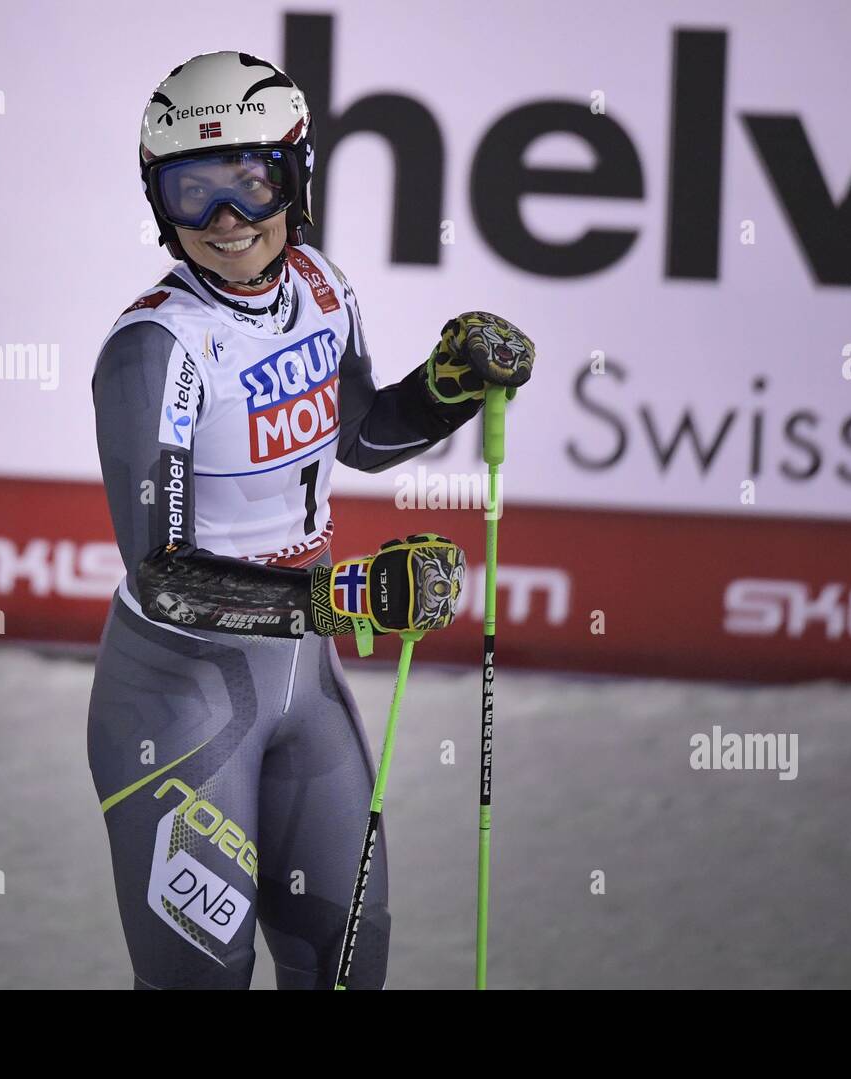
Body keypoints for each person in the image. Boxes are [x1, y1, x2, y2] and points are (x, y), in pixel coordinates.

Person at [86, 50, 535, 990]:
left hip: (307, 683)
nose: (226, 221)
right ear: (157, 201)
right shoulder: (154, 346)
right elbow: (164, 571)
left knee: (344, 965)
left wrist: (447, 388)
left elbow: (361, 436)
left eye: (253, 183)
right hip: (179, 698)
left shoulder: (322, 290)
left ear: (297, 176)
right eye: (191, 192)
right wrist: (351, 592)